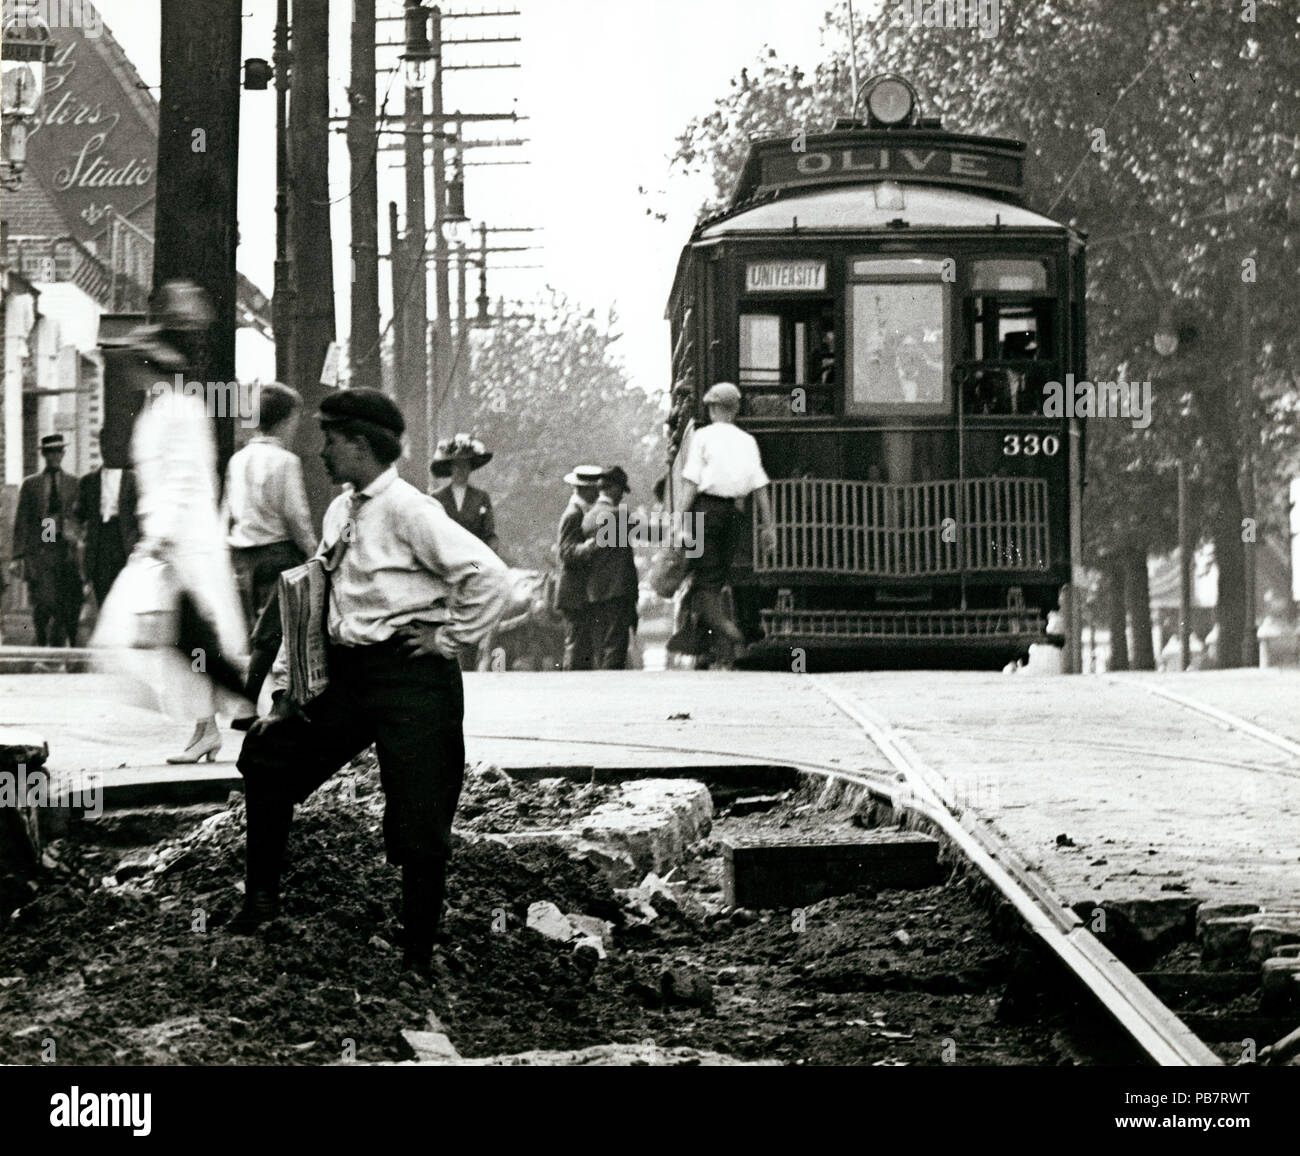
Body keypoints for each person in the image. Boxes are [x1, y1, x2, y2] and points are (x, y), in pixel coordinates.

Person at [231, 388, 511, 976]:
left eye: (331, 440)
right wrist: (286, 690)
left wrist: (448, 640)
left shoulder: (412, 510)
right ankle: (260, 904)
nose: (322, 451)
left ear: (361, 444)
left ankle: (416, 954)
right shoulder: (340, 509)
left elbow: (491, 577)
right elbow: (313, 599)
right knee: (267, 756)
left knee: (420, 814)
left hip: (413, 679)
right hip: (350, 676)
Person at [90, 280, 250, 763]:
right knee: (177, 636)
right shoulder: (161, 409)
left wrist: (160, 536)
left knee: (164, 633)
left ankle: (225, 716)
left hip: (181, 540)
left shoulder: (179, 409)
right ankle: (206, 725)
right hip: (172, 539)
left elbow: (183, 479)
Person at [223, 383, 316, 730]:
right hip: (280, 553)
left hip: (244, 555)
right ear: (285, 419)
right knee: (275, 632)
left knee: (263, 631)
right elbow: (295, 514)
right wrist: (312, 551)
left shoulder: (237, 459)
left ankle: (266, 702)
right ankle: (248, 707)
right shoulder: (286, 461)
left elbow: (229, 509)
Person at [678, 382, 777, 669]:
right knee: (722, 576)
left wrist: (679, 519)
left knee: (704, 579)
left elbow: (691, 483)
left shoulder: (703, 437)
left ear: (712, 409)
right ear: (735, 409)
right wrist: (769, 527)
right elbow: (760, 488)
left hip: (705, 511)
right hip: (735, 515)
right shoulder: (748, 441)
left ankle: (727, 634)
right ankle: (714, 645)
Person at [10, 434, 83, 646]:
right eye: (50, 452)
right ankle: (42, 640)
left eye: (58, 451)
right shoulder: (31, 485)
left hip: (65, 550)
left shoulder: (74, 483)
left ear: (63, 454)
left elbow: (80, 516)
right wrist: (17, 556)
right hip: (41, 550)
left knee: (65, 599)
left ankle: (58, 644)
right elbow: (21, 521)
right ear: (43, 454)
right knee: (43, 599)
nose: (54, 456)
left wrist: (75, 535)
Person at [582, 466, 639, 670]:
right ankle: (611, 693)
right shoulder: (616, 514)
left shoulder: (588, 515)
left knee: (601, 647)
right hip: (618, 591)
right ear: (614, 489)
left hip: (595, 593)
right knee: (616, 647)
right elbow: (649, 533)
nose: (622, 496)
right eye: (622, 491)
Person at [554, 464, 603, 671]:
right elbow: (565, 552)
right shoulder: (573, 515)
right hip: (574, 593)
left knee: (582, 646)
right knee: (576, 646)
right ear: (584, 490)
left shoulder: (581, 512)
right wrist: (590, 546)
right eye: (594, 489)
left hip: (579, 593)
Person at [75, 464, 139, 609]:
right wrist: (49, 540)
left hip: (123, 543)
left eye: (58, 451)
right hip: (97, 544)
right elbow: (73, 515)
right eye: (50, 452)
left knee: (124, 596)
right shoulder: (88, 481)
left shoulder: (133, 479)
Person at [429, 434, 498, 553]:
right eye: (457, 466)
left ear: (470, 468)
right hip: (445, 559)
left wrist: (488, 555)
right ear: (450, 468)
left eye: (465, 466)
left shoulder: (481, 497)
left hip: (475, 558)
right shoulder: (437, 497)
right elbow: (431, 533)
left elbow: (489, 534)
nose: (461, 470)